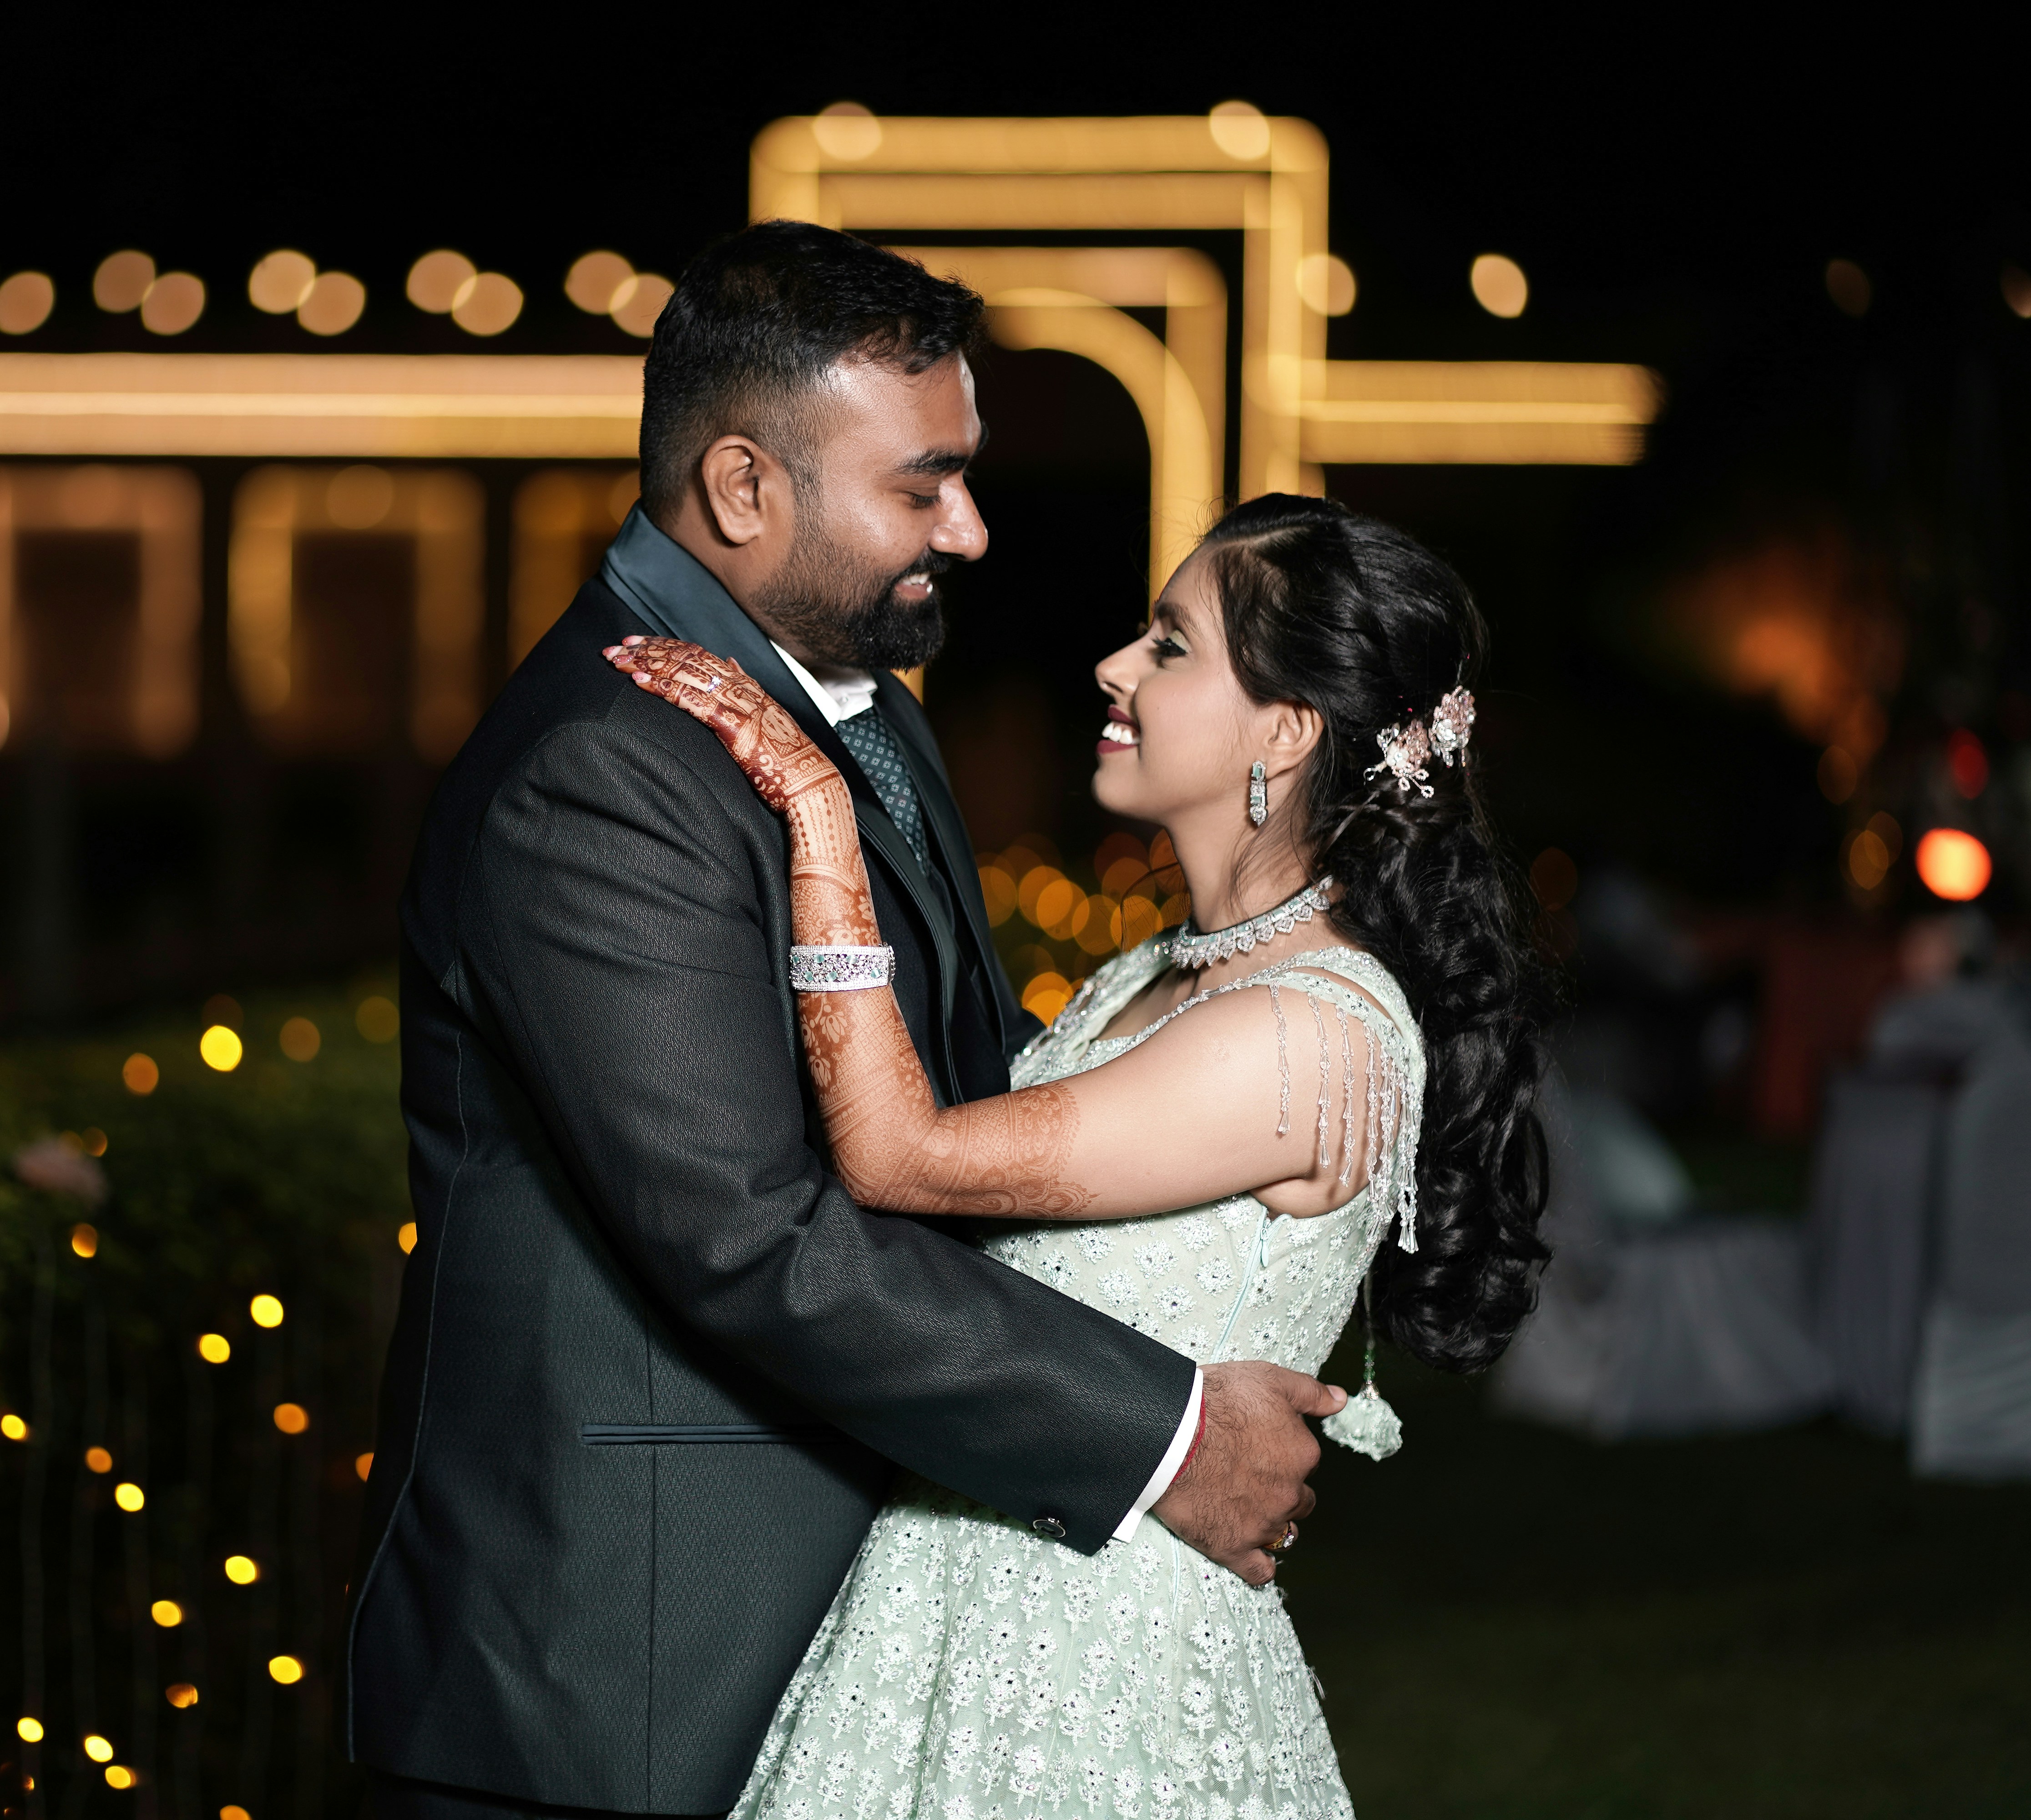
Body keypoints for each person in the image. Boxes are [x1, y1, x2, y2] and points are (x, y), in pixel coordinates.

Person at [347, 223, 1351, 1818]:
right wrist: (1161, 1434)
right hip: (627, 1679)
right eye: (919, 484)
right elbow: (752, 1236)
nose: (970, 527)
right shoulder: (606, 772)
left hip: (845, 1632)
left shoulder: (867, 715)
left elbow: (947, 1127)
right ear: (743, 489)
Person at [607, 490, 1553, 1813]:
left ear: (1284, 730)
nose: (1115, 665)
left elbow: (901, 1157)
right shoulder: (1157, 977)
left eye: (1172, 646)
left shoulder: (1298, 1033)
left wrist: (817, 824)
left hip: (1098, 1656)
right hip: (962, 1590)